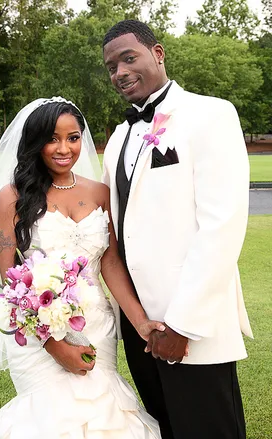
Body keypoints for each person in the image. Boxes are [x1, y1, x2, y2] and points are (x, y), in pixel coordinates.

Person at [0, 97, 163, 438]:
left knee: (107, 415)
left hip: (96, 325)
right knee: (51, 419)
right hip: (38, 334)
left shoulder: (99, 192)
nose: (63, 148)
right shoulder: (12, 197)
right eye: (53, 138)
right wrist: (54, 344)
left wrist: (140, 322)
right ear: (36, 142)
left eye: (73, 137)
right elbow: (10, 284)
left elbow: (109, 263)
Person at [102, 19, 253, 439]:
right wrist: (134, 319)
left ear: (159, 53)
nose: (120, 73)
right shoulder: (117, 138)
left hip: (190, 324)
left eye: (128, 58)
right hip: (139, 327)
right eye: (111, 67)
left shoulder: (211, 114)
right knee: (165, 427)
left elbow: (221, 227)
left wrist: (183, 323)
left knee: (209, 428)